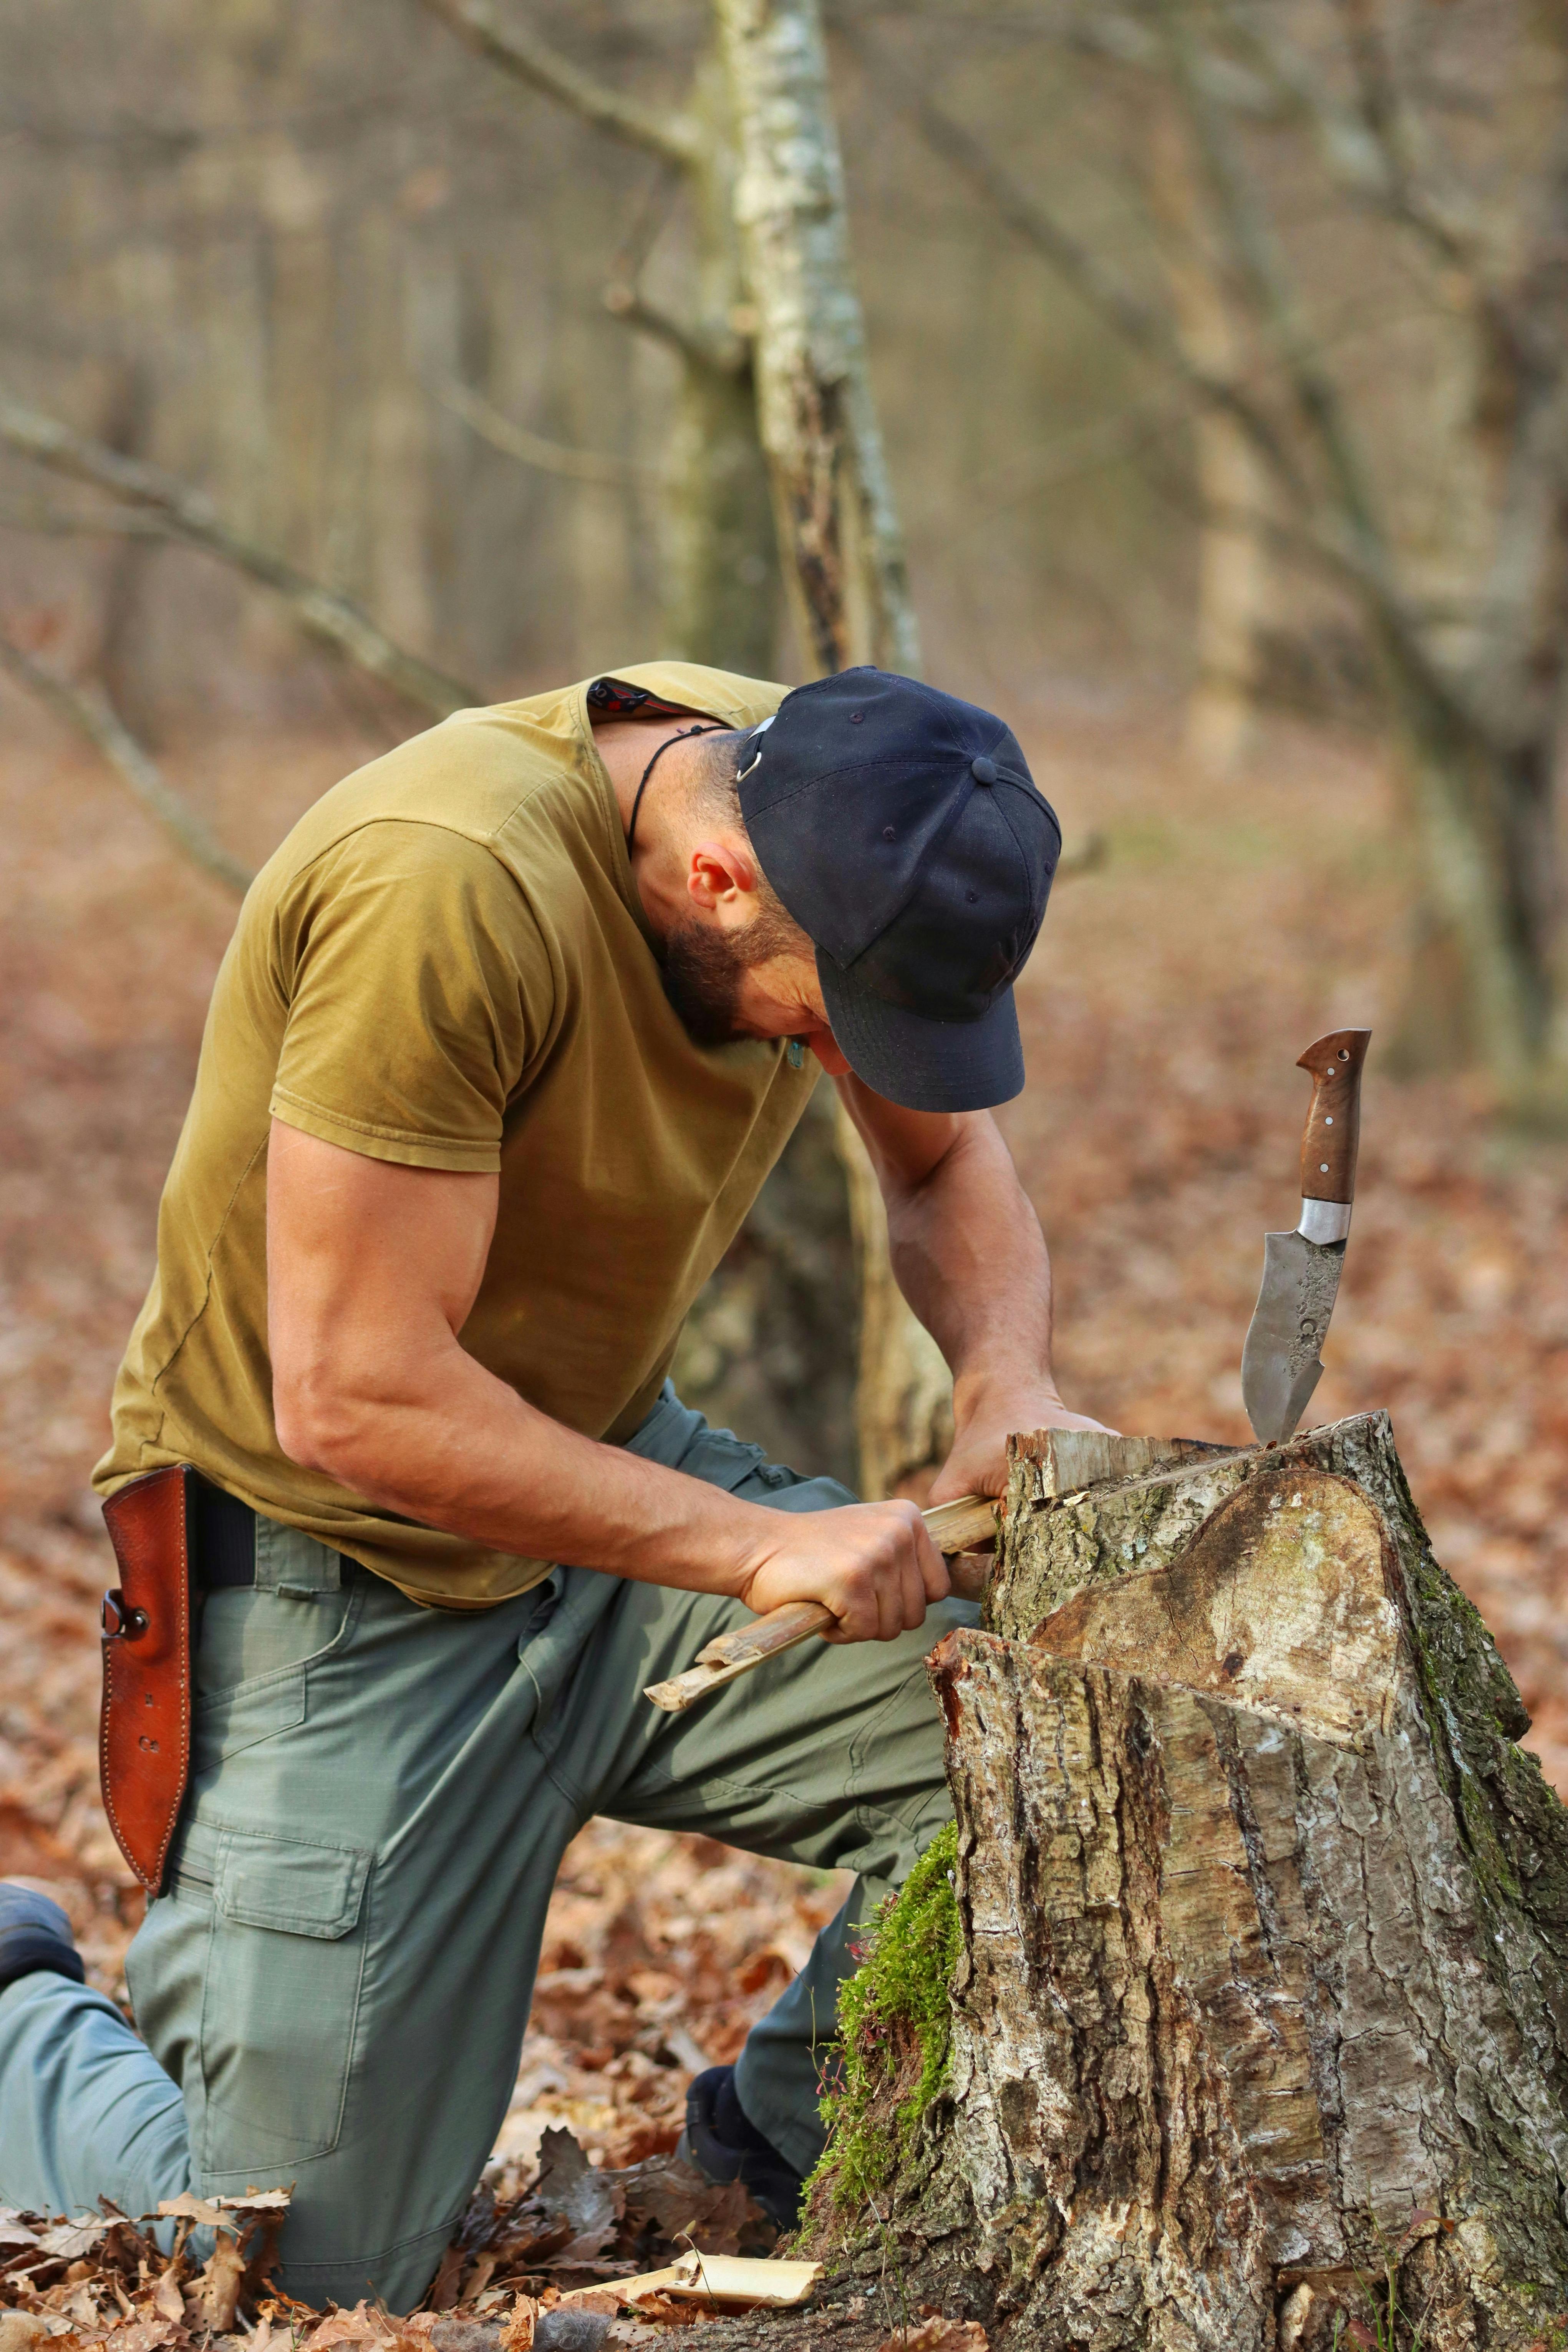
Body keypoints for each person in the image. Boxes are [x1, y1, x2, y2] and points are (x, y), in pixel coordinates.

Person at [0, 661, 1103, 2307]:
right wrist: (752, 1548)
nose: (833, 1052)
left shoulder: (834, 808)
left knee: (1062, 1762)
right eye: (824, 1014)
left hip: (605, 1498)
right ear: (718, 882)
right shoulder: (442, 887)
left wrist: (1004, 1378)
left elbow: (945, 1156)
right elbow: (355, 1394)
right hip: (338, 1573)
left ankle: (772, 2144)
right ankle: (20, 2023)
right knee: (285, 2261)